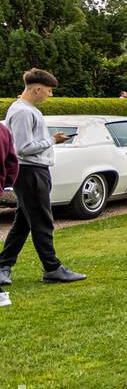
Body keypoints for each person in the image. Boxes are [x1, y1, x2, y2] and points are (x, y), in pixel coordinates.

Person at [0, 69, 86, 286]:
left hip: (34, 171)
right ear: (37, 89)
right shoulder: (23, 112)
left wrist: (50, 140)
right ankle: (52, 268)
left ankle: (3, 266)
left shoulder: (26, 109)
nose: (50, 95)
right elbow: (22, 148)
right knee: (42, 222)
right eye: (49, 90)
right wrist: (51, 141)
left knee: (23, 223)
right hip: (30, 172)